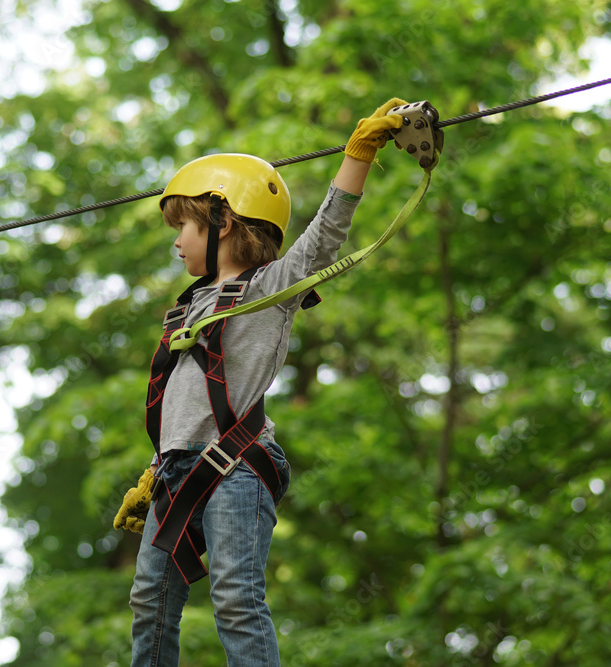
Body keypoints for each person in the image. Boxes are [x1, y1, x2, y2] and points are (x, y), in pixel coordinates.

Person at [113, 98, 408, 666]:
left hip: (235, 470)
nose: (176, 242)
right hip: (175, 470)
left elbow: (325, 235)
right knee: (149, 599)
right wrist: (155, 468)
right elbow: (184, 400)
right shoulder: (186, 308)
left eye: (186, 227)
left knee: (235, 598)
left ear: (224, 222)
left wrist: (359, 154)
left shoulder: (271, 288)